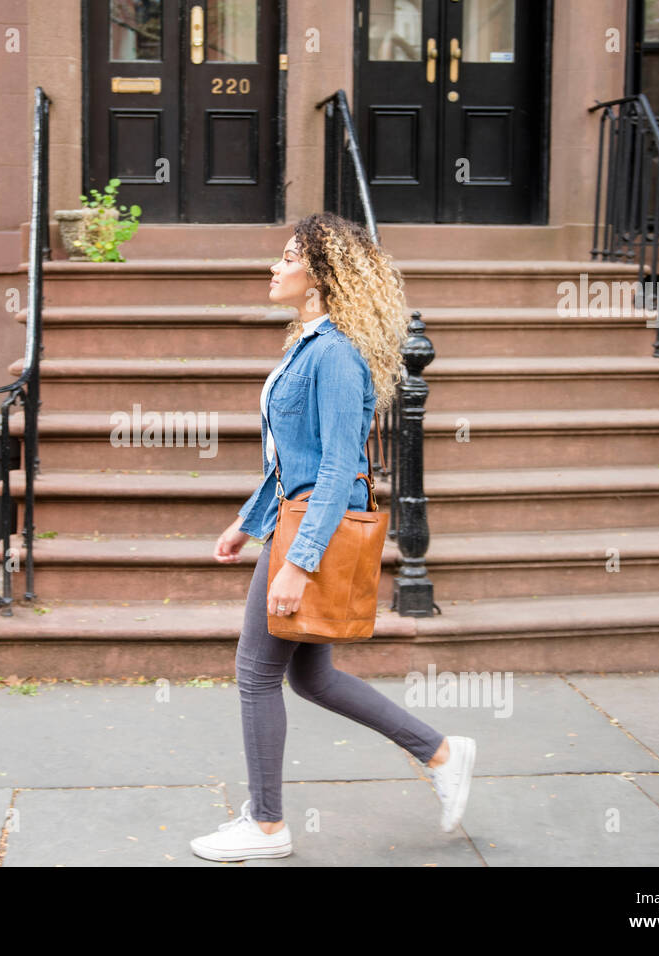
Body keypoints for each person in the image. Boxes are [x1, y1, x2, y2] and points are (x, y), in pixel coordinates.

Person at [190, 212, 475, 862]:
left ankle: (267, 825)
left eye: (289, 257)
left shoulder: (337, 357)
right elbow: (291, 458)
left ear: (320, 274)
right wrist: (245, 522)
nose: (275, 265)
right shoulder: (309, 346)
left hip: (304, 532)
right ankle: (440, 750)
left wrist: (297, 561)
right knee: (311, 677)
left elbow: (339, 467)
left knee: (256, 674)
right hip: (287, 521)